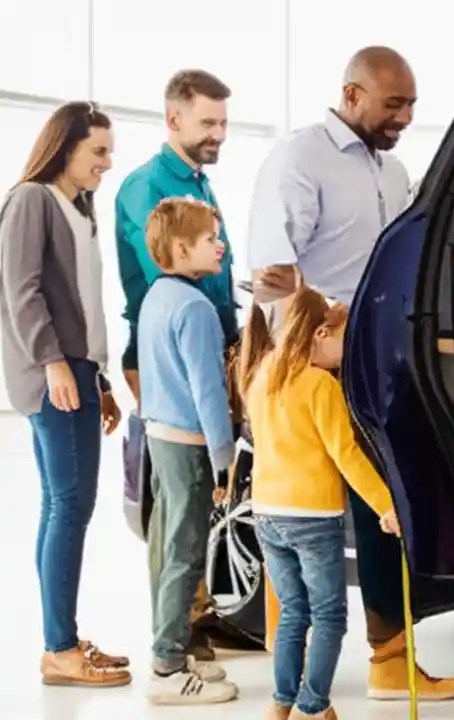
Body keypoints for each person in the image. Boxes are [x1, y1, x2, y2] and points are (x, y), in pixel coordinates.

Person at [247, 45, 454, 702]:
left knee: (385, 502)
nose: (403, 116)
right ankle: (304, 679)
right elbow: (273, 273)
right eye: (392, 104)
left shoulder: (393, 169)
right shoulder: (301, 159)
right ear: (352, 95)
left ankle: (387, 659)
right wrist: (301, 370)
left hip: (382, 359)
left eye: (410, 106)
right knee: (316, 506)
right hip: (320, 360)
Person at [0, 101, 130, 688]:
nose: (107, 162)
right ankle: (58, 649)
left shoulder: (81, 208)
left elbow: (83, 302)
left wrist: (97, 376)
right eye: (97, 151)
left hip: (79, 371)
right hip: (54, 371)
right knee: (68, 505)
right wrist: (53, 361)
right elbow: (20, 290)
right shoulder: (31, 198)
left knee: (69, 506)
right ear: (66, 147)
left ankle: (63, 640)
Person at [115, 68, 237, 660]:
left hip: (208, 343)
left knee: (188, 510)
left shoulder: (200, 184)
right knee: (175, 511)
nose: (219, 133)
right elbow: (167, 272)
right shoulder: (149, 189)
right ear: (174, 120)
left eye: (223, 122)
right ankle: (175, 635)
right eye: (208, 122)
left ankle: (197, 613)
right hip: (169, 357)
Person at [237, 287, 402, 720]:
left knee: (293, 613)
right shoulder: (319, 385)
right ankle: (313, 707)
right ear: (320, 332)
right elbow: (347, 454)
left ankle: (282, 703)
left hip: (267, 513)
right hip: (312, 515)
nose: (343, 356)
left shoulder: (262, 374)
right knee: (329, 616)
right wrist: (387, 505)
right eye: (342, 343)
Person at [136, 197, 239, 705]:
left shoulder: (158, 296)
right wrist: (226, 459)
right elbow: (208, 392)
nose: (219, 245)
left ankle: (170, 648)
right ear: (181, 247)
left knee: (165, 548)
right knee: (185, 552)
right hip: (190, 445)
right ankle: (168, 667)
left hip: (159, 437)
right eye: (209, 239)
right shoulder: (196, 308)